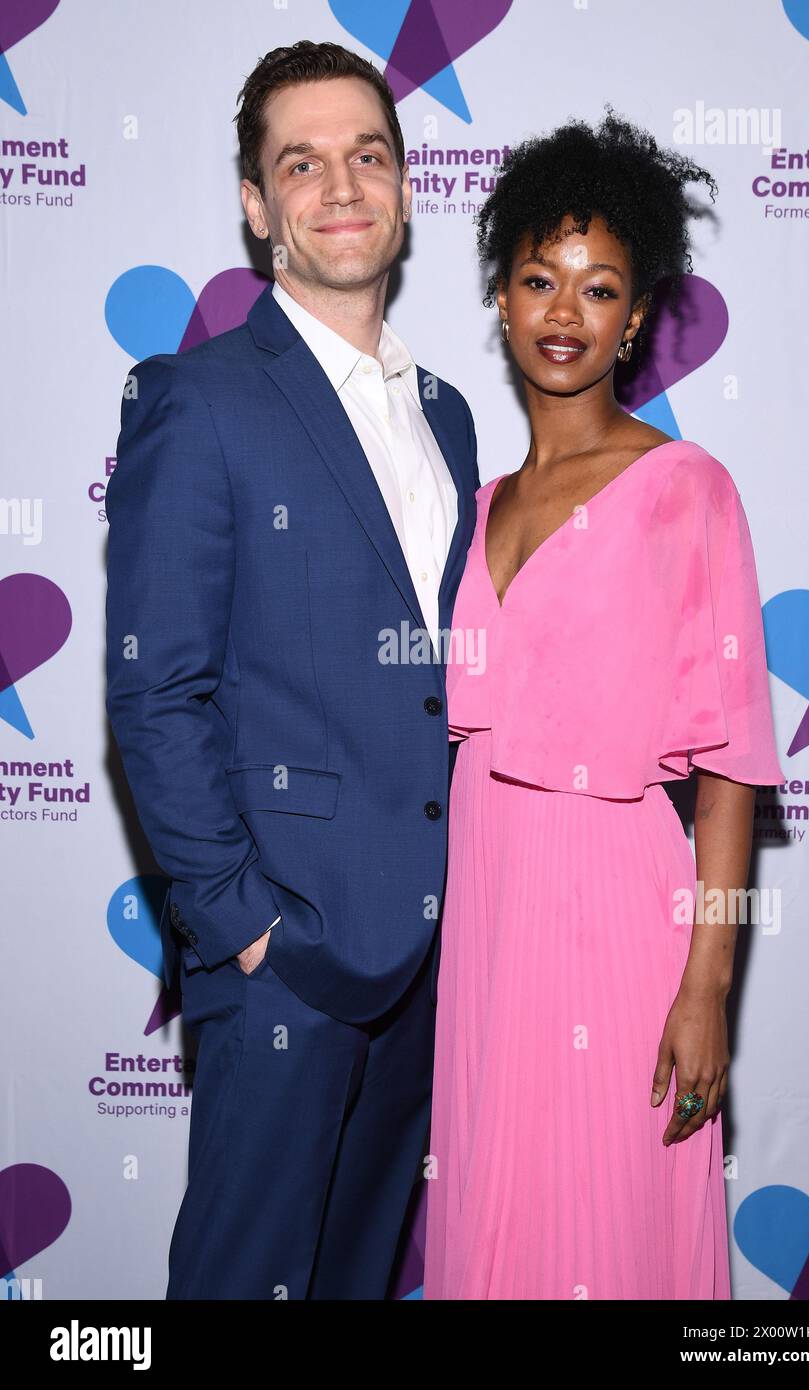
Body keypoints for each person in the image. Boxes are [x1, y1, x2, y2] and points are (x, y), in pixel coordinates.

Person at [104, 40, 479, 1300]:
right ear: (258, 207)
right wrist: (246, 927)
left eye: (367, 155)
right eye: (300, 162)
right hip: (287, 959)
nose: (340, 185)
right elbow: (156, 692)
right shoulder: (198, 401)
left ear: (408, 187)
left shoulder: (449, 413)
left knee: (359, 1279)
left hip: (433, 955)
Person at [423, 108, 786, 1300]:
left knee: (615, 1219)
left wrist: (707, 983)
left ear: (635, 317)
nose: (563, 311)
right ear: (502, 299)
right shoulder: (471, 509)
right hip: (486, 914)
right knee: (495, 1214)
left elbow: (730, 764)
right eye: (538, 279)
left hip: (620, 913)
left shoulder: (688, 490)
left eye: (597, 287)